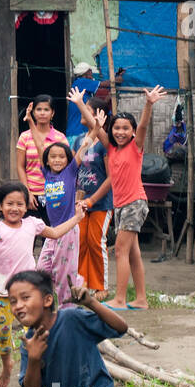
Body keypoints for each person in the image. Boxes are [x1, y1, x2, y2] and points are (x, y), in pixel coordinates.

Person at [0, 182, 84, 387]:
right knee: (2, 335)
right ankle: (7, 363)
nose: (14, 208)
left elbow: (54, 233)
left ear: (27, 207)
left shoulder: (32, 224)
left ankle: (37, 366)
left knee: (34, 331)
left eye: (20, 204)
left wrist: (77, 218)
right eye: (9, 204)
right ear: (0, 206)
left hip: (28, 291)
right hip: (2, 291)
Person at [69, 85, 167, 309]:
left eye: (126, 129)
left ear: (132, 132)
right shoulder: (110, 148)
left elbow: (143, 125)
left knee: (121, 251)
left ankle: (120, 299)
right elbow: (95, 126)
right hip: (121, 205)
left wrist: (149, 104)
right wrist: (80, 104)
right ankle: (141, 299)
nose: (120, 132)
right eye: (117, 128)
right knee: (133, 253)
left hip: (134, 203)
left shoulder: (136, 147)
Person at [37, 140, 91, 307]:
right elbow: (39, 146)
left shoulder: (69, 173)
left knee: (62, 274)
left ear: (68, 161)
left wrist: (95, 131)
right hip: (53, 230)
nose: (57, 160)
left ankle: (67, 308)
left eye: (61, 157)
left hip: (67, 230)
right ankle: (76, 281)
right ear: (47, 160)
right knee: (41, 269)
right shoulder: (47, 174)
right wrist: (31, 120)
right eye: (53, 157)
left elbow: (82, 151)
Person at [75, 116, 114, 298]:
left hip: (101, 202)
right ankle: (81, 282)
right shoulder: (78, 140)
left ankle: (101, 286)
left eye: (87, 109)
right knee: (80, 241)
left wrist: (92, 200)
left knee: (96, 242)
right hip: (80, 200)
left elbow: (111, 177)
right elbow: (74, 170)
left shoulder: (105, 144)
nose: (82, 113)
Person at [15, 95, 66, 218]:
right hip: (31, 193)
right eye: (38, 109)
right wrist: (27, 193)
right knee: (28, 235)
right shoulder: (24, 137)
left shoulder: (60, 138)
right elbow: (20, 166)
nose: (42, 113)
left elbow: (65, 168)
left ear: (52, 113)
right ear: (33, 112)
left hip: (54, 193)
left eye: (46, 110)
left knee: (52, 235)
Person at [65, 63, 101, 141]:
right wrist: (116, 79)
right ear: (87, 72)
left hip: (78, 133)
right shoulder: (82, 81)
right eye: (90, 71)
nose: (92, 74)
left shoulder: (82, 86)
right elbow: (105, 84)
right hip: (77, 133)